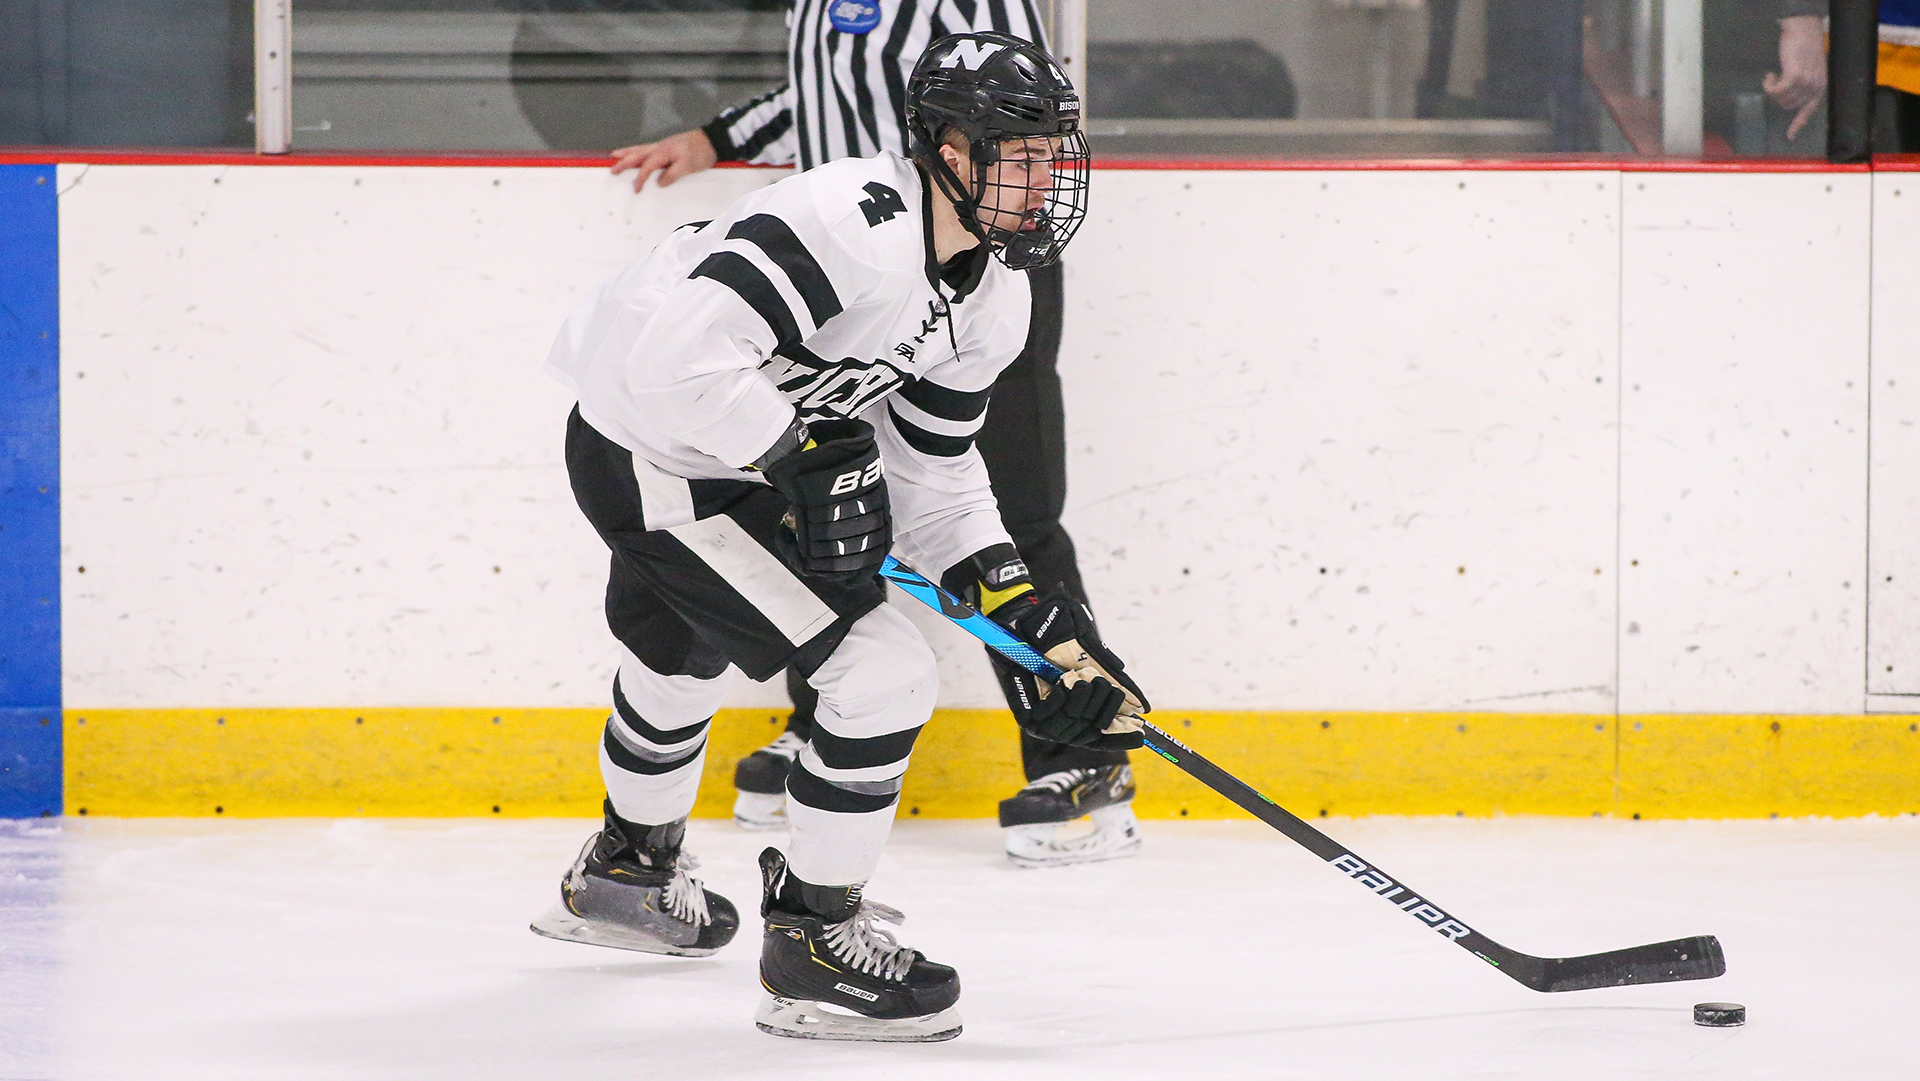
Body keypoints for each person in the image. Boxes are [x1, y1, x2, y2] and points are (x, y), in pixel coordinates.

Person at [530, 34, 1149, 1042]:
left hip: (728, 454)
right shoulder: (846, 221)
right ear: (947, 148)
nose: (1044, 183)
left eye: (1054, 156)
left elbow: (938, 479)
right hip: (655, 448)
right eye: (1019, 153)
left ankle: (623, 874)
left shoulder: (995, 299)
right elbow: (671, 361)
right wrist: (797, 451)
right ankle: (816, 946)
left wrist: (1036, 619)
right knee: (882, 671)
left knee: (680, 656)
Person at [608, 0, 1144, 869]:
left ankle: (1074, 751)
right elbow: (818, 90)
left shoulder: (970, 21)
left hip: (967, 257)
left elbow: (1010, 109)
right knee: (810, 494)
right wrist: (717, 134)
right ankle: (826, 719)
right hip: (851, 277)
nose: (1052, 170)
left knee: (1001, 498)